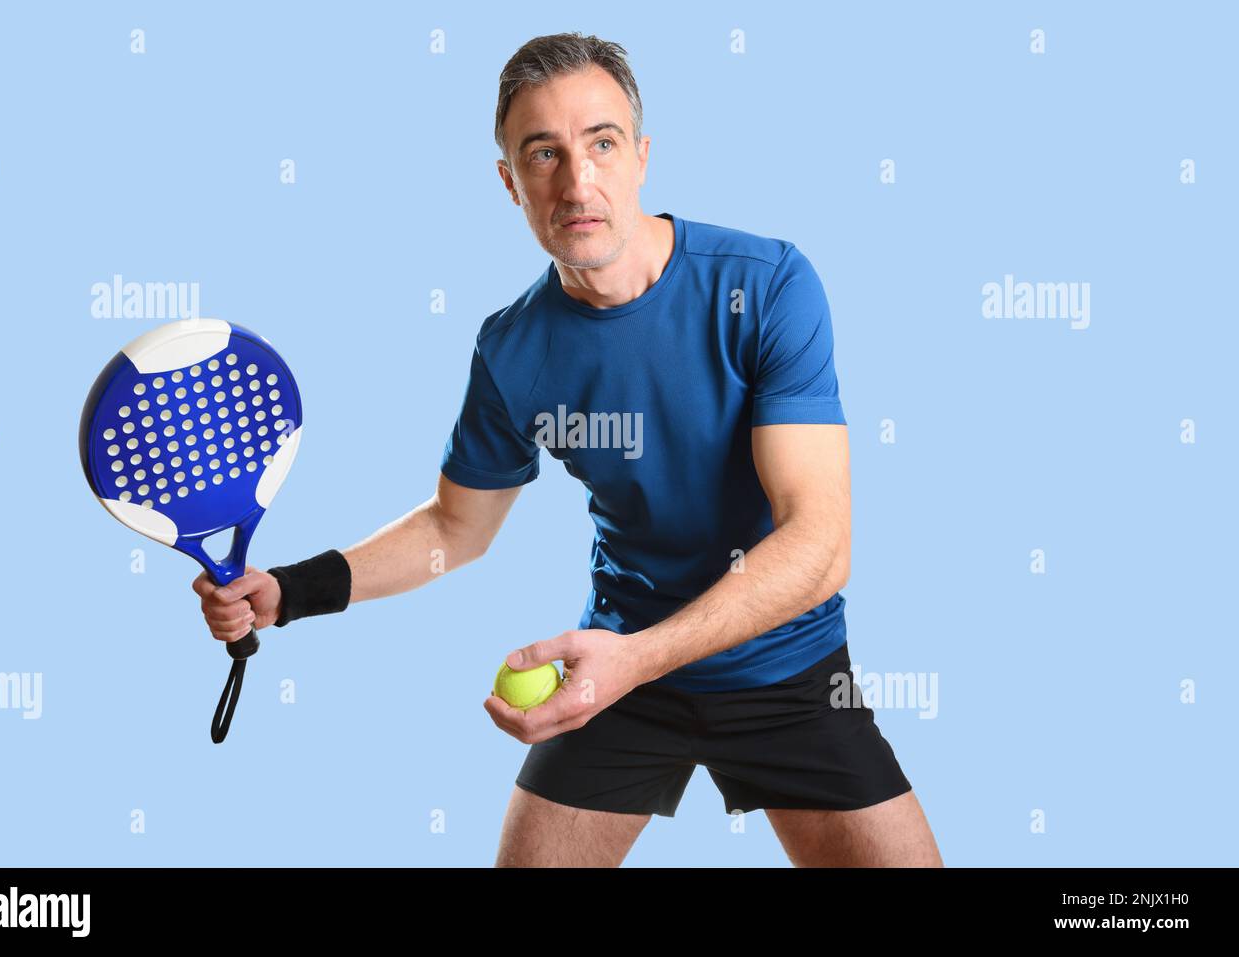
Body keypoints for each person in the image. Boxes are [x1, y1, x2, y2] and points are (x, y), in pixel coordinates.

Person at [193, 32, 942, 868]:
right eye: (542, 153)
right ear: (510, 182)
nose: (577, 182)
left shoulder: (766, 284)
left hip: (785, 672)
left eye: (602, 143)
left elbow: (820, 544)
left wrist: (636, 658)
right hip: (616, 680)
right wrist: (291, 589)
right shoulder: (512, 349)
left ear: (643, 156)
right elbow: (455, 529)